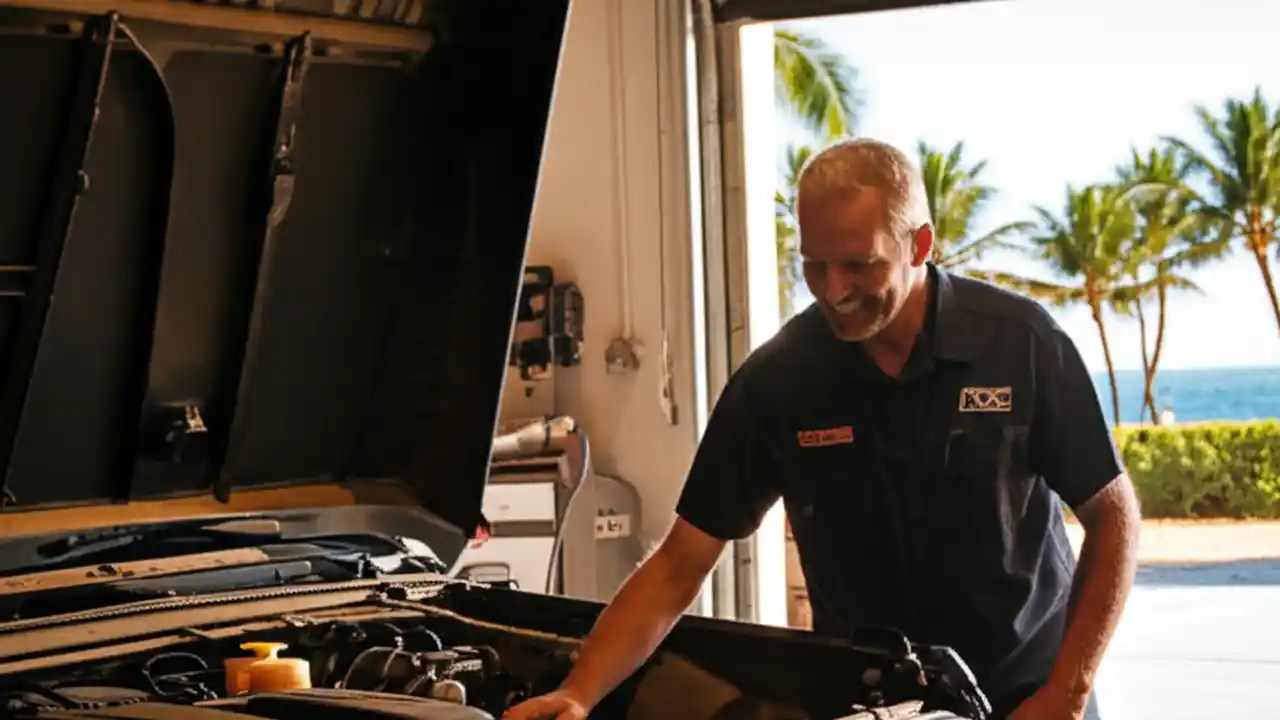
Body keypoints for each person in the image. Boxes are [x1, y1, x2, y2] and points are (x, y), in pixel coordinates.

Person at [504, 138, 1141, 720]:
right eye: (814, 266)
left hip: (1024, 699)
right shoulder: (780, 382)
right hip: (867, 705)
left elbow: (1113, 517)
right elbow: (679, 563)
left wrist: (1068, 689)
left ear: (920, 245)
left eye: (859, 266)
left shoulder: (1022, 346)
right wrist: (579, 691)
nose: (833, 292)